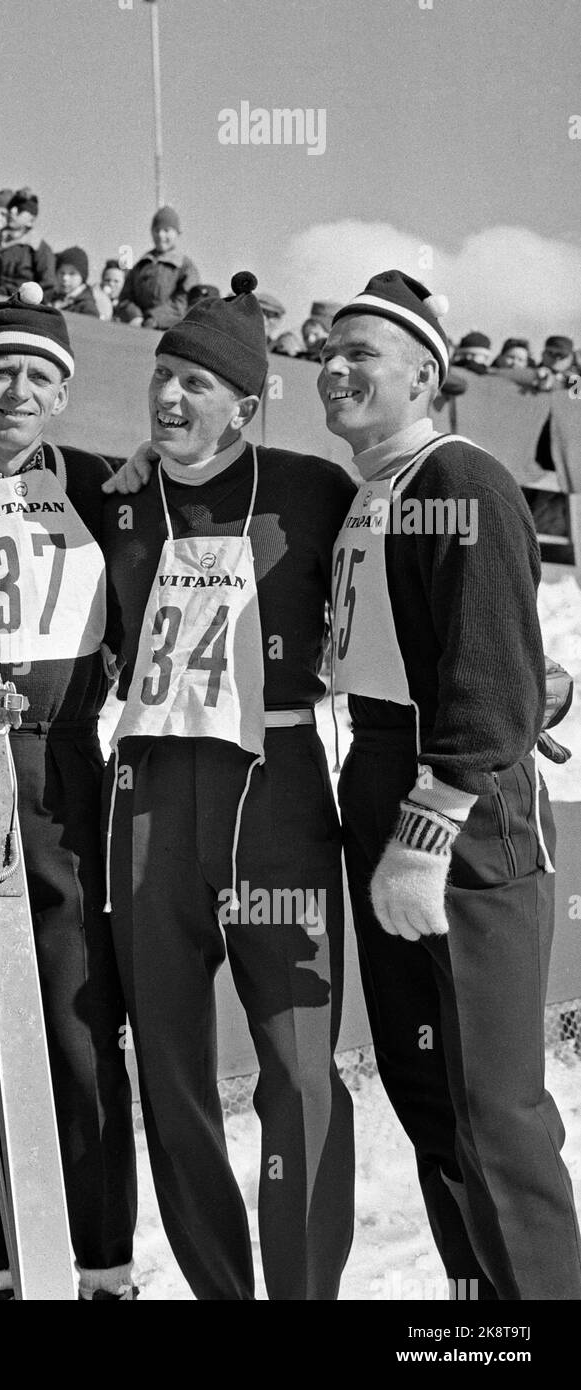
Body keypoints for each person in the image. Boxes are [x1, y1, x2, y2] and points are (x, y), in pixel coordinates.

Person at [319, 269, 581, 1301]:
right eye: (328, 352)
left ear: (424, 376)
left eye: (362, 354)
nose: (334, 369)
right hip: (379, 764)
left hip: (455, 800)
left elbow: (488, 674)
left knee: (492, 1107)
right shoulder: (369, 488)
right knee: (425, 1088)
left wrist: (431, 822)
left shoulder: (455, 475)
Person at [101, 273, 356, 1299]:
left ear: (246, 406)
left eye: (196, 383)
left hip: (275, 784)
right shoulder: (117, 494)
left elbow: (417, 588)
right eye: (162, 374)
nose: (169, 397)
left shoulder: (314, 487)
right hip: (150, 788)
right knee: (168, 1069)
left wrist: (531, 679)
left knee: (297, 1069)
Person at [0, 286, 138, 1301]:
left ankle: (103, 1267)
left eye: (41, 375)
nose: (18, 390)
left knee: (79, 1026)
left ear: (63, 394)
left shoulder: (97, 484)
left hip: (60, 774)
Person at [0, 188, 55, 297]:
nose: (12, 211)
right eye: (11, 207)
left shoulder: (38, 247)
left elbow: (47, 286)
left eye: (20, 210)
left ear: (31, 220)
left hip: (22, 303)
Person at [49, 246, 103, 317]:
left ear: (82, 277)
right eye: (62, 273)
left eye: (72, 273)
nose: (65, 278)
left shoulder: (87, 307)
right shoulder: (52, 298)